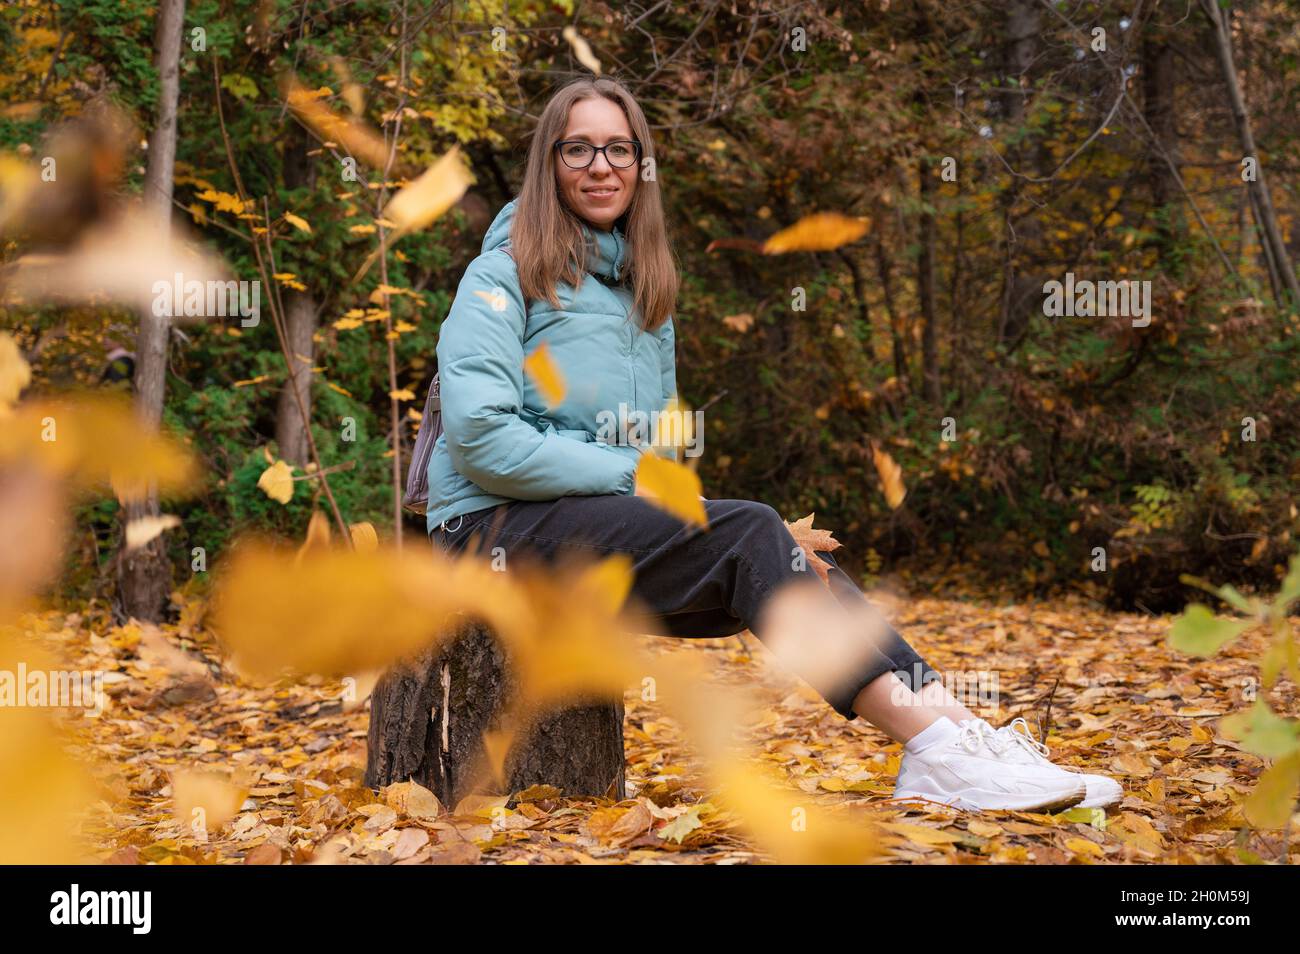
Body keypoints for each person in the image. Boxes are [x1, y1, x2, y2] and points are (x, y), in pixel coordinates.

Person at [423, 76, 1121, 814]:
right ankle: (937, 750)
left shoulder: (645, 294)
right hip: (488, 536)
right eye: (579, 149)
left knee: (798, 559)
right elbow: (483, 440)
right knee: (752, 527)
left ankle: (960, 735)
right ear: (549, 165)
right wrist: (639, 478)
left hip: (584, 537)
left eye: (620, 149)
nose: (601, 166)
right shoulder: (499, 276)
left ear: (642, 167)